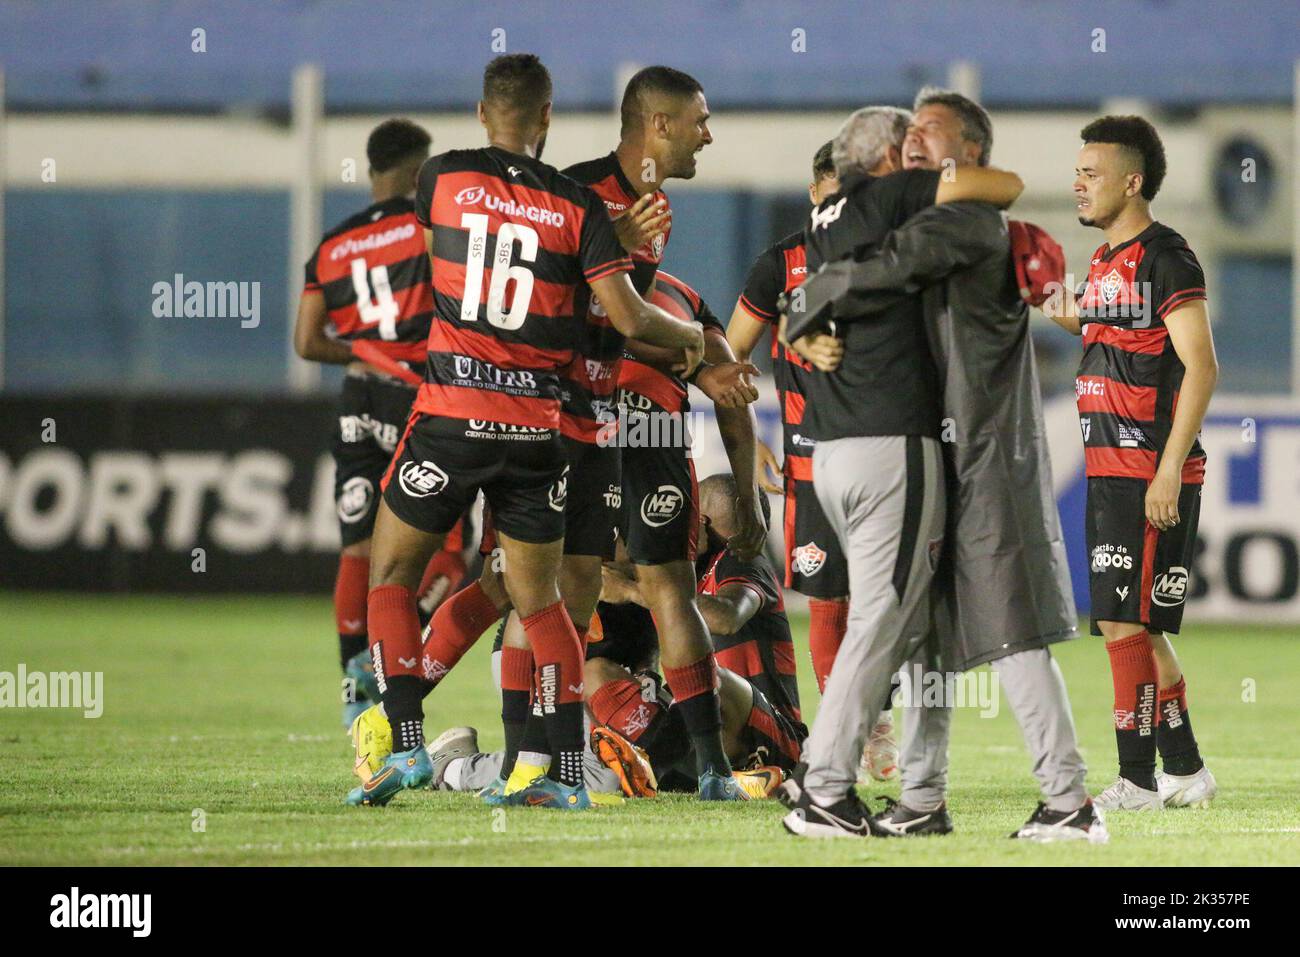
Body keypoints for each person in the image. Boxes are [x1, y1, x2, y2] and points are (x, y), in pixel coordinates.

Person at [347, 53, 704, 810]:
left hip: (457, 413)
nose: (708, 136)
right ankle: (553, 772)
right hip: (545, 424)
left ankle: (405, 742)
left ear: (482, 113)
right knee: (535, 600)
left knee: (399, 575)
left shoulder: (440, 176)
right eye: (701, 123)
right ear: (547, 118)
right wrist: (695, 336)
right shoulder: (579, 202)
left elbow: (455, 238)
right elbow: (627, 313)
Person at [790, 88, 1103, 843]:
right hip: (940, 452)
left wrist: (806, 298)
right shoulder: (929, 213)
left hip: (986, 451)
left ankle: (1069, 800)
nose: (914, 142)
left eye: (930, 132)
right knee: (924, 636)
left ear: (967, 153)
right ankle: (922, 797)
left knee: (1009, 631)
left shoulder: (963, 219)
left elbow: (886, 267)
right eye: (910, 132)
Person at [777, 105, 1024, 839]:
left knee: (911, 625)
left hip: (827, 448)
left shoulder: (821, 222)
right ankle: (824, 787)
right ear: (886, 158)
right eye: (907, 140)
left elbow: (785, 308)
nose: (918, 150)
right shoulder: (886, 195)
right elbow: (1004, 183)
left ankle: (922, 795)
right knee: (882, 618)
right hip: (890, 441)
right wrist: (945, 172)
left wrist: (803, 323)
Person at [424, 472, 804, 800]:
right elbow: (537, 589)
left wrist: (638, 590)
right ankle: (453, 766)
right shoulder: (613, 533)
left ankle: (456, 767)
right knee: (599, 762)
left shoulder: (732, 556)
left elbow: (723, 618)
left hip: (740, 718)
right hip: (534, 660)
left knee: (613, 765)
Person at [1045, 115, 1218, 811]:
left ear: (1132, 181)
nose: (1078, 184)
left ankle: (1136, 780)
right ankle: (1184, 768)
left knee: (1122, 625)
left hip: (1147, 468)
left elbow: (1201, 366)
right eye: (1078, 172)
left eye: (1091, 173)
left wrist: (1170, 467)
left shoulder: (1166, 257)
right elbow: (1097, 319)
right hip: (1112, 465)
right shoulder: (1106, 262)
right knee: (1136, 623)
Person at [726, 141, 898, 783]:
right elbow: (731, 359)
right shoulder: (780, 266)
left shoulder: (890, 262)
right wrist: (748, 435)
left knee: (882, 604)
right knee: (827, 602)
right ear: (812, 195)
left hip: (885, 461)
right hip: (809, 464)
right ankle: (849, 733)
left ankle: (873, 717)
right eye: (830, 201)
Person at [293, 118, 473, 729]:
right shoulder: (428, 224)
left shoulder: (331, 246)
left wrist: (364, 351)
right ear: (420, 169)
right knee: (449, 549)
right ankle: (388, 663)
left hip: (358, 399)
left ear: (372, 170)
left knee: (359, 548)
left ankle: (353, 687)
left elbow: (307, 342)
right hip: (423, 398)